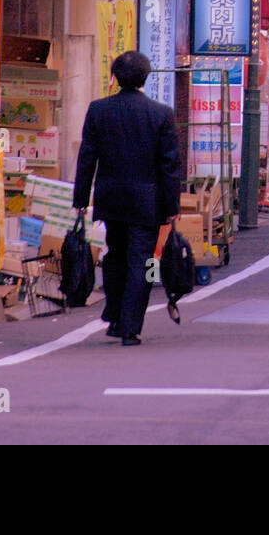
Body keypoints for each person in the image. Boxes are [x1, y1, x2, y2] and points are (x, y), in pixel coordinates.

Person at [73, 50, 182, 346]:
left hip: (111, 198)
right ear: (146, 77)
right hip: (148, 202)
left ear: (115, 77)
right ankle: (130, 326)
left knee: (114, 255)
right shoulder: (161, 114)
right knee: (142, 262)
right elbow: (169, 166)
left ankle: (115, 316)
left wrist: (81, 198)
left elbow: (87, 157)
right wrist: (172, 207)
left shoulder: (99, 110)